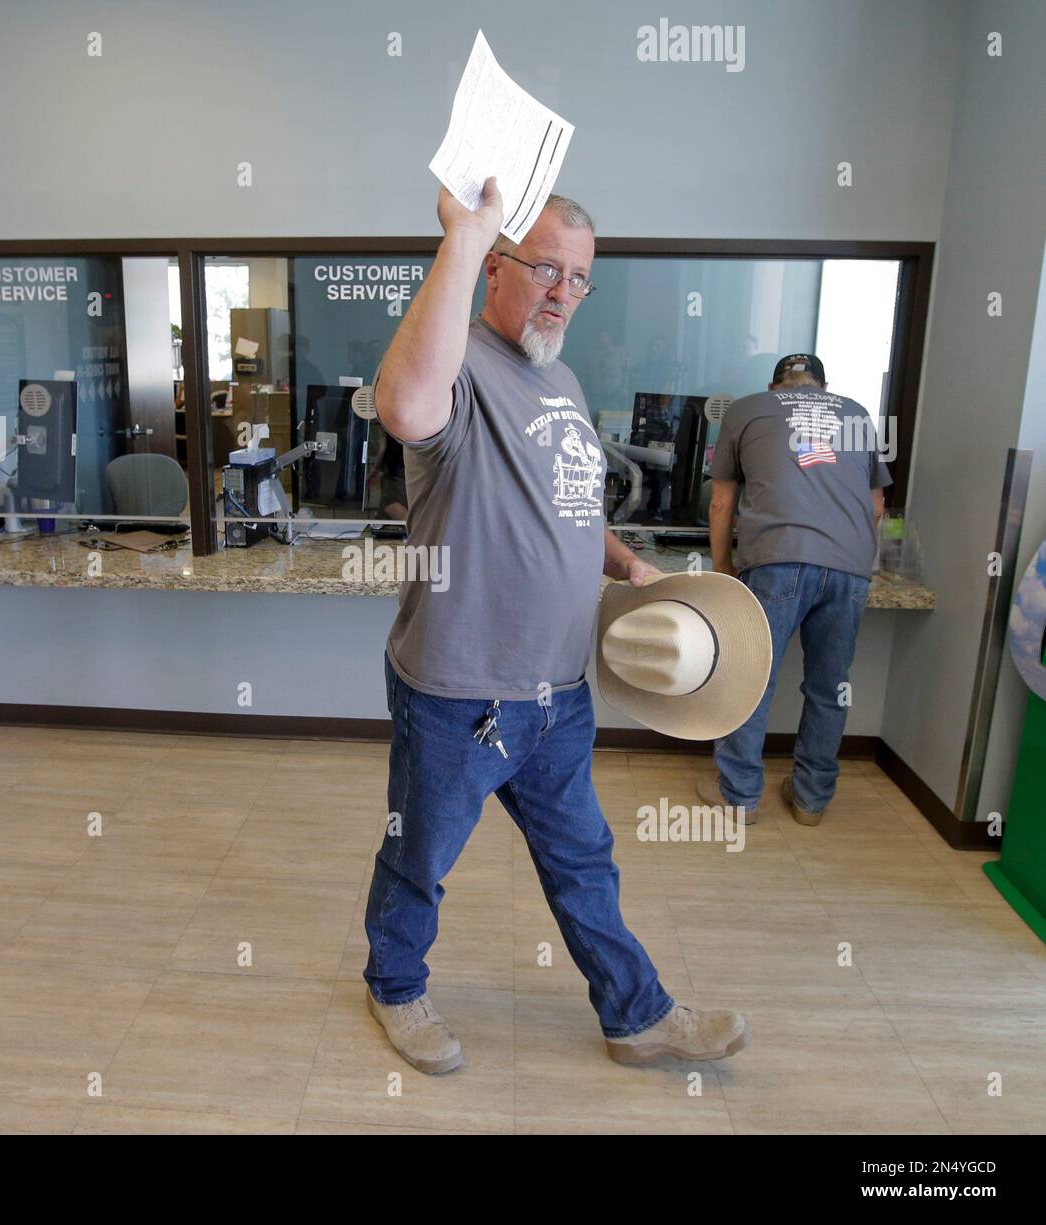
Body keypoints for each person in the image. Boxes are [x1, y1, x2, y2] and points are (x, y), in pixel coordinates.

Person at [363, 178, 751, 1074]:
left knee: (585, 862)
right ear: (494, 266)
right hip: (461, 690)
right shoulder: (457, 361)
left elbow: (566, 507)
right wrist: (459, 238)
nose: (562, 293)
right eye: (544, 268)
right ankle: (394, 985)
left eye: (579, 278)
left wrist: (625, 563)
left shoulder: (563, 378)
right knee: (418, 858)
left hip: (557, 692)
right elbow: (405, 407)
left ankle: (636, 1013)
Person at [702, 354, 891, 825]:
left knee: (752, 680)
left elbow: (722, 500)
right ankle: (811, 800)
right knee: (830, 687)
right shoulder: (857, 413)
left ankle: (740, 799)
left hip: (777, 559)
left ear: (775, 385)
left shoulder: (748, 408)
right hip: (848, 569)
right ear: (825, 387)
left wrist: (725, 567)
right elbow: (876, 504)